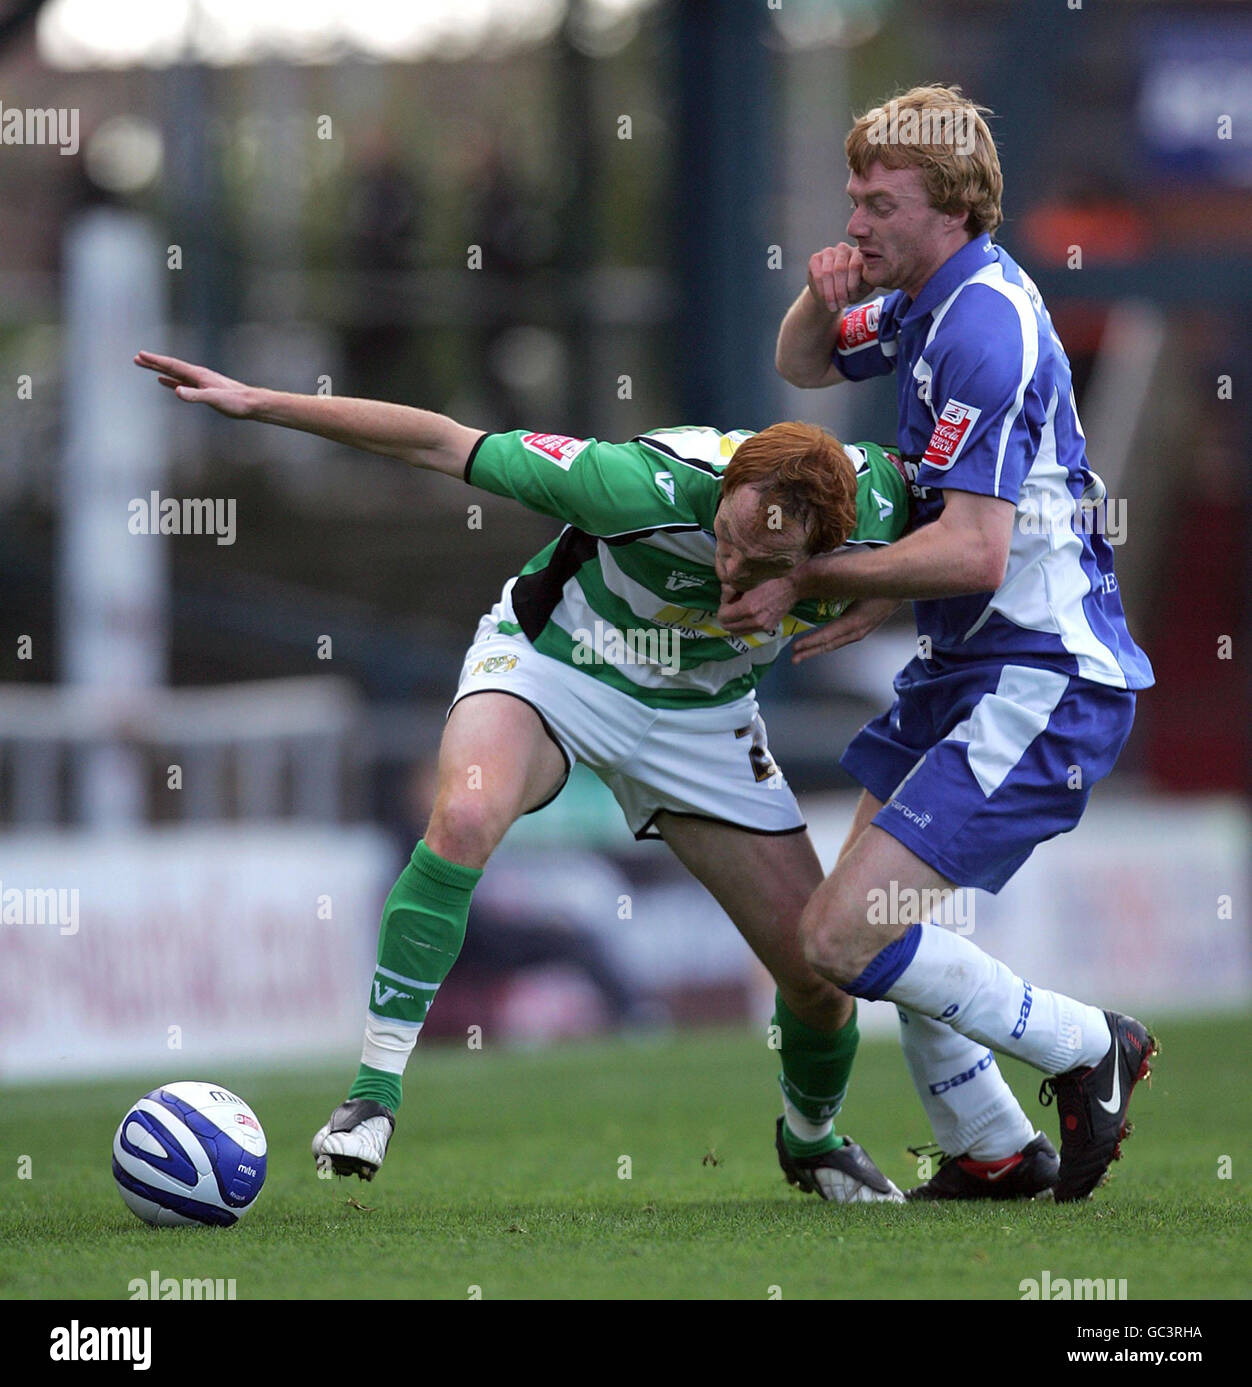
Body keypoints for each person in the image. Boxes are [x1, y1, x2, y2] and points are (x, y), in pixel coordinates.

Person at [135, 347, 923, 1203]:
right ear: (728, 486)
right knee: (466, 818)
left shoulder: (885, 499)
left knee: (818, 975)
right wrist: (260, 398)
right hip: (559, 666)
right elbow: (441, 442)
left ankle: (812, 1144)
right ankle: (372, 1097)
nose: (732, 570)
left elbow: (983, 540)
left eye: (767, 565)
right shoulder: (629, 483)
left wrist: (878, 592)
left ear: (832, 539)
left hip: (704, 717)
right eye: (728, 540)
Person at [736, 84, 1157, 1203]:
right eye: (851, 198)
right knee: (871, 926)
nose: (856, 221)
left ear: (952, 207)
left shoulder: (982, 322)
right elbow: (805, 365)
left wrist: (810, 578)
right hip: (966, 668)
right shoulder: (924, 298)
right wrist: (818, 295)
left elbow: (973, 553)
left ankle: (1082, 1043)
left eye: (878, 202)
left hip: (1040, 676)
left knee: (837, 937)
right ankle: (990, 1148)